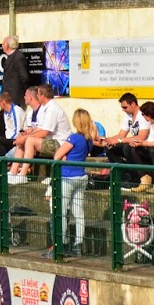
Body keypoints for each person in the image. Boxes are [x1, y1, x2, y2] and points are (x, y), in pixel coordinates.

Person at [52, 109, 98, 255]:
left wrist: (64, 155)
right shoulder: (89, 140)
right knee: (79, 212)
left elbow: (57, 156)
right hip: (81, 176)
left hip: (67, 177)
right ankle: (78, 244)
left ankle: (62, 244)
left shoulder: (73, 137)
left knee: (61, 211)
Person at [98, 92, 154, 187]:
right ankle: (124, 175)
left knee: (127, 147)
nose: (124, 110)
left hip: (144, 145)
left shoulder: (143, 115)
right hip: (132, 145)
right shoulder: (128, 117)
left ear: (133, 104)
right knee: (110, 148)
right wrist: (108, 140)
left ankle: (137, 176)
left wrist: (119, 140)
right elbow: (121, 134)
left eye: (125, 107)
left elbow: (141, 138)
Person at [0, 36, 31, 114]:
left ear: (8, 45)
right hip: (7, 97)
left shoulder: (18, 57)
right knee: (3, 121)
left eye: (3, 43)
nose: (2, 45)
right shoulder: (10, 57)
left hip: (15, 97)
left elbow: (24, 77)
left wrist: (26, 91)